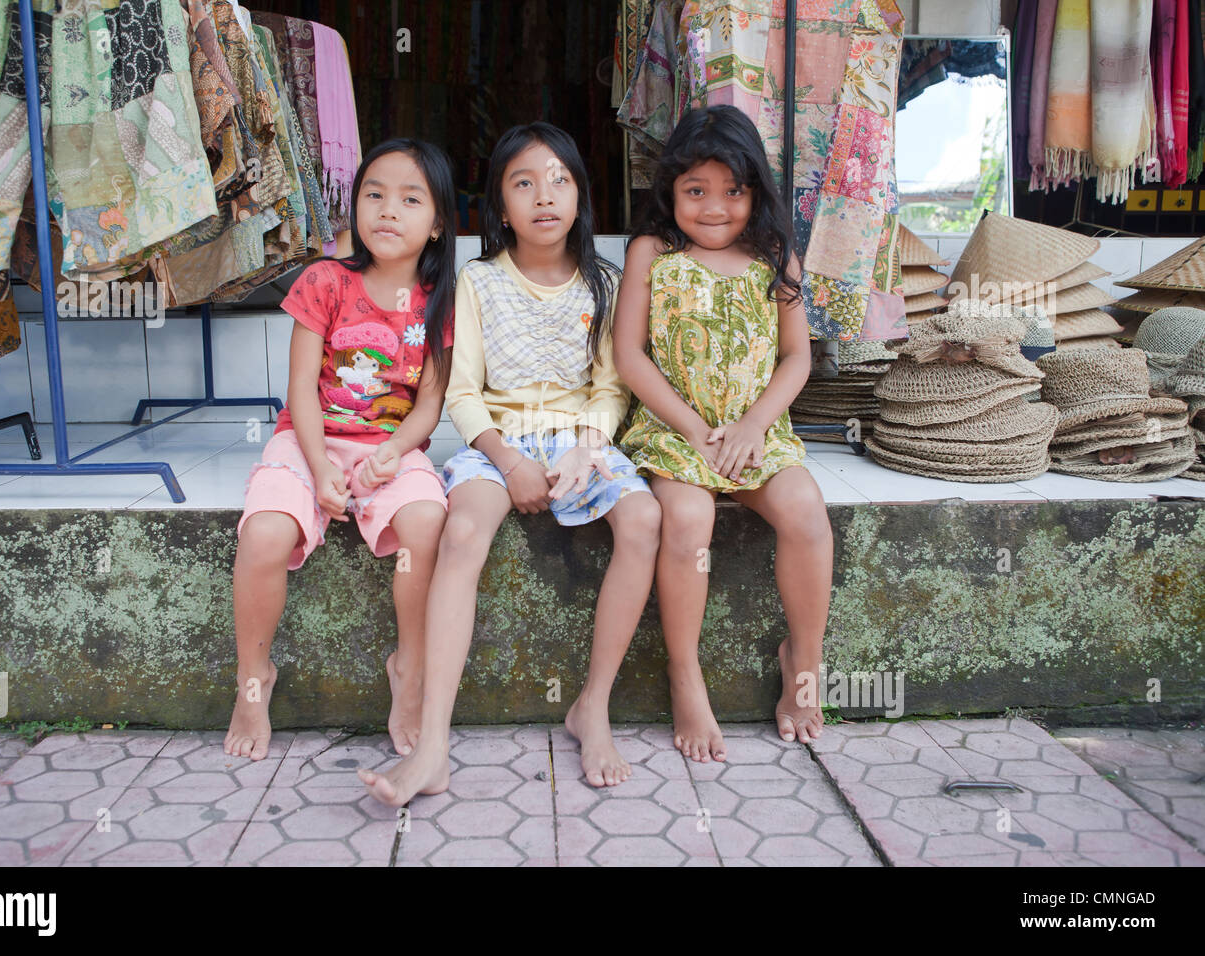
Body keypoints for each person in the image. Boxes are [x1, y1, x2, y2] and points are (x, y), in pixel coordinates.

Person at [359, 122, 662, 803]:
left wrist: (590, 444)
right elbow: (462, 391)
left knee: (643, 519)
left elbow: (613, 386)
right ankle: (433, 742)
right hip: (496, 439)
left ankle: (593, 706)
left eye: (559, 179)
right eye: (522, 182)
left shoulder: (603, 283)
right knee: (460, 531)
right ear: (499, 207)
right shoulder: (478, 281)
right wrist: (506, 458)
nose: (544, 196)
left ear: (581, 196)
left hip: (582, 437)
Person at [225, 139, 457, 761]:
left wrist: (393, 453)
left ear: (437, 223)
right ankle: (254, 680)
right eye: (374, 194)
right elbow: (301, 386)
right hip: (307, 440)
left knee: (426, 522)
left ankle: (409, 668)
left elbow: (429, 405)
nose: (388, 210)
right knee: (266, 534)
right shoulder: (324, 281)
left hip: (392, 445)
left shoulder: (438, 303)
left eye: (411, 200)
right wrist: (321, 464)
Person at [614, 105, 834, 758]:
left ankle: (806, 662)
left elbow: (798, 356)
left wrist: (752, 425)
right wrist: (696, 429)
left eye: (733, 192)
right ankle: (686, 677)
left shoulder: (775, 255)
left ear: (755, 191)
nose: (714, 207)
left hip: (756, 434)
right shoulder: (652, 252)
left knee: (806, 511)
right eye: (696, 191)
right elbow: (629, 355)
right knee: (686, 523)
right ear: (670, 192)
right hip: (673, 431)